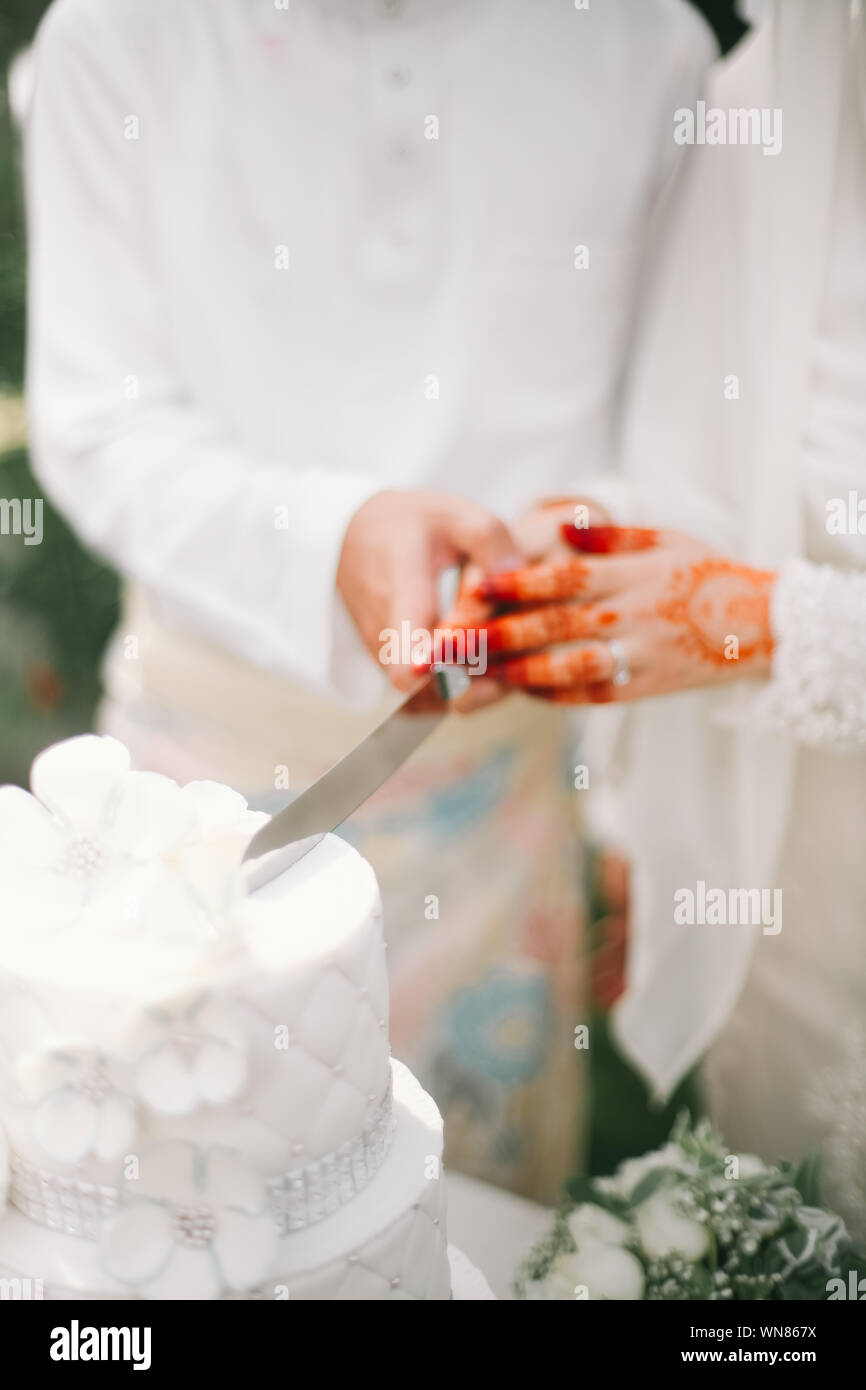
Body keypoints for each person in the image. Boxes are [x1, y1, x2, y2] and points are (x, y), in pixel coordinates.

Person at [25, 0, 715, 1201]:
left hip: (502, 797)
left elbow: (680, 430)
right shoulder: (119, 38)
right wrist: (332, 534)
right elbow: (98, 424)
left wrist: (636, 791)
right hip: (199, 784)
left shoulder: (643, 46)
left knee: (451, 1224)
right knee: (180, 1219)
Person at [467, 0, 866, 1237]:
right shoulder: (765, 98)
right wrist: (583, 547)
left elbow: (749, 604)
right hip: (792, 869)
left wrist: (776, 629)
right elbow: (693, 456)